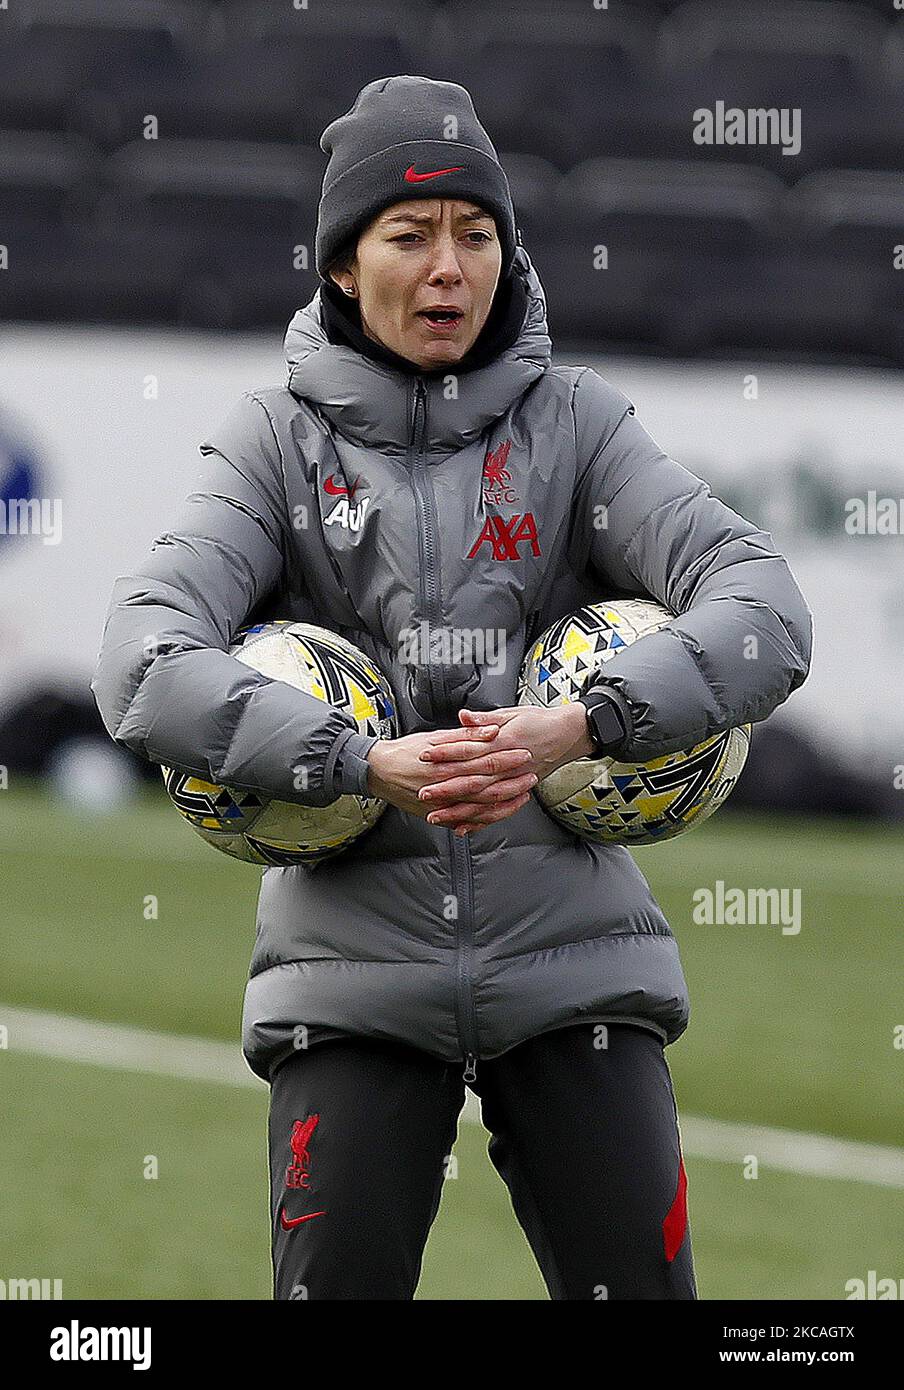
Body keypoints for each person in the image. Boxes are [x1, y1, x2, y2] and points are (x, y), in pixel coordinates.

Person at [91, 76, 813, 1300]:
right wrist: (350, 761)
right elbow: (142, 654)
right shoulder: (273, 444)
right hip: (349, 985)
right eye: (409, 235)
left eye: (475, 234)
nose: (448, 267)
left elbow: (766, 607)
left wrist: (586, 722)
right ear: (341, 265)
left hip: (576, 973)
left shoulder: (578, 426)